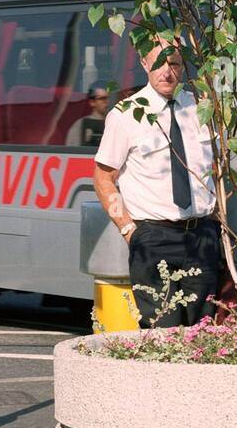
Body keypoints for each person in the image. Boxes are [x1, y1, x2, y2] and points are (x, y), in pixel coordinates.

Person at [93, 39, 220, 328]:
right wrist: (129, 230)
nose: (167, 71)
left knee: (201, 330)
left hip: (201, 236)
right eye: (159, 63)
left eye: (173, 63)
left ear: (183, 66)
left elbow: (220, 170)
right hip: (153, 237)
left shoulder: (201, 109)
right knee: (163, 330)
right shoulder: (126, 114)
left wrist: (215, 226)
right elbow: (103, 177)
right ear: (144, 64)